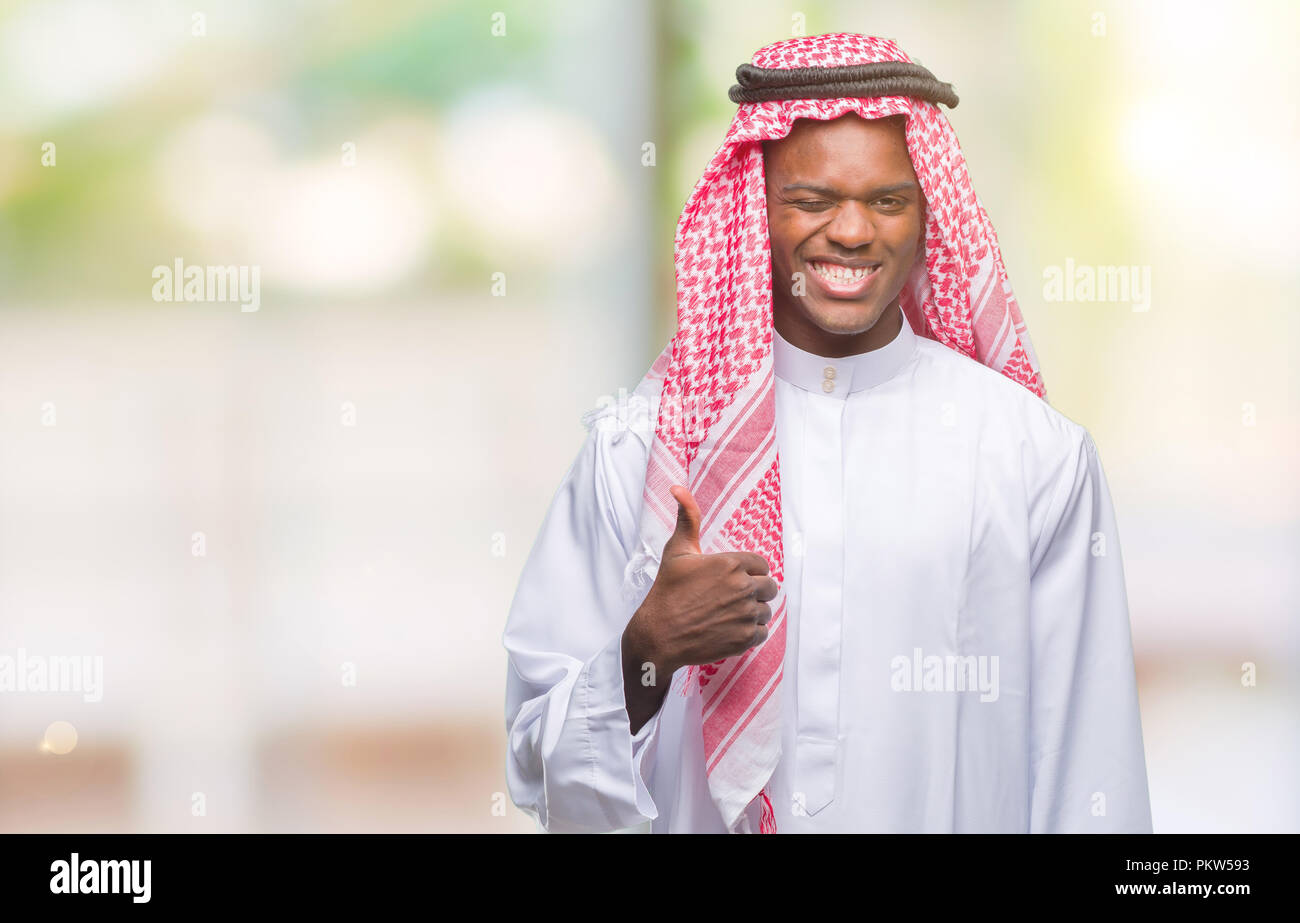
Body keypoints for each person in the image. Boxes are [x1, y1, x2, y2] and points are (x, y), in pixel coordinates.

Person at [502, 33, 1153, 834]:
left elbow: (1093, 773)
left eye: (887, 200)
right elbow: (540, 768)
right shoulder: (639, 449)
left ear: (928, 215)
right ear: (752, 211)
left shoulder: (1032, 455)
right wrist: (648, 648)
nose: (851, 232)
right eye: (811, 200)